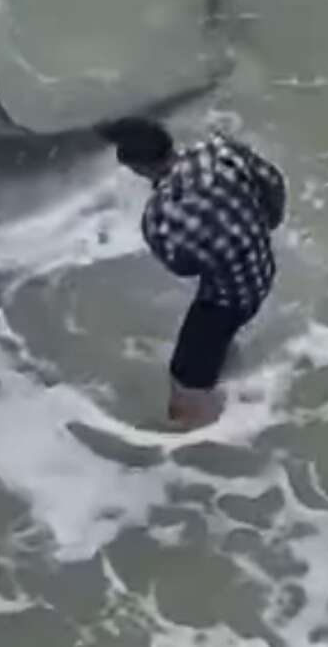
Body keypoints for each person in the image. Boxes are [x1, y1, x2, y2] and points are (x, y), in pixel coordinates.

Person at [99, 117, 287, 425]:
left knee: (185, 377)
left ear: (136, 167)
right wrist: (256, 225)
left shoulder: (160, 216)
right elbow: (272, 182)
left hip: (229, 298)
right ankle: (229, 373)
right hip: (262, 266)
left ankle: (206, 439)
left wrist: (215, 247)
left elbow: (183, 267)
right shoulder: (220, 151)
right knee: (217, 340)